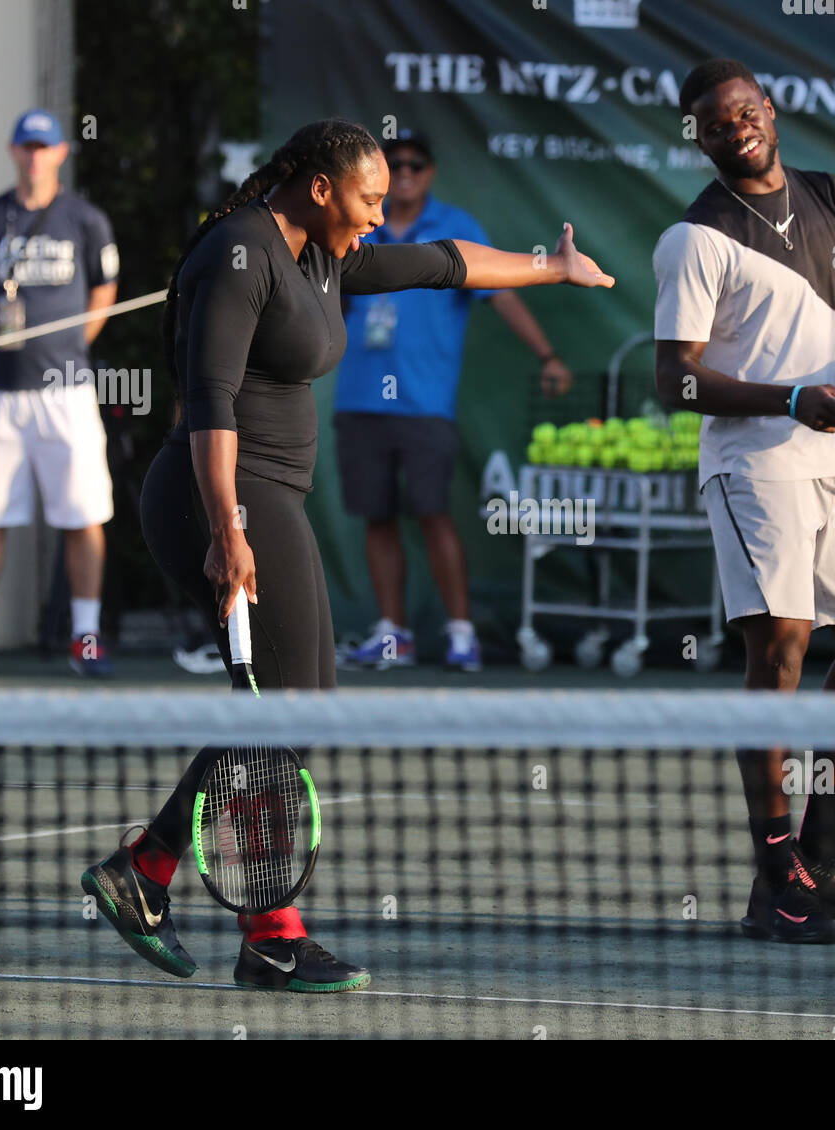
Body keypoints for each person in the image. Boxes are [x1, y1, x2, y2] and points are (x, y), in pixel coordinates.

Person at [81, 119, 613, 992]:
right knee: (286, 712)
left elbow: (444, 262)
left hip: (263, 500)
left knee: (293, 713)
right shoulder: (240, 253)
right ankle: (175, 884)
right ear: (321, 187)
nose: (380, 215)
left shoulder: (324, 255)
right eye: (369, 198)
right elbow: (210, 398)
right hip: (222, 496)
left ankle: (231, 917)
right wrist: (227, 531)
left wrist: (550, 269)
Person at [654, 61, 835, 944]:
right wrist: (784, 400)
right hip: (754, 467)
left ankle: (825, 852)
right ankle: (774, 882)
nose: (734, 125)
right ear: (696, 137)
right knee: (778, 651)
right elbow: (677, 381)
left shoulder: (831, 195)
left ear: (769, 112)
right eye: (713, 120)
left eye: (744, 109)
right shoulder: (694, 239)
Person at [334, 131, 574, 672]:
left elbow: (502, 293)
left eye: (416, 162)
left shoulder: (457, 229)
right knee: (377, 517)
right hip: (357, 398)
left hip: (425, 405)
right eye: (394, 164)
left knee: (433, 514)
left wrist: (548, 355)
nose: (406, 170)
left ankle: (461, 633)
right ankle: (393, 635)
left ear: (431, 171)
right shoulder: (356, 229)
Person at [0, 109, 119, 679]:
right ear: (13, 151)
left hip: (65, 391)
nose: (35, 155)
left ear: (62, 152)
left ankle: (85, 637)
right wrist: (2, 344)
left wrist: (70, 344)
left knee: (82, 515)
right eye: (26, 146)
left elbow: (104, 289)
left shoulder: (85, 219)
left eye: (44, 146)